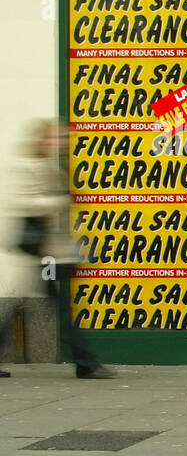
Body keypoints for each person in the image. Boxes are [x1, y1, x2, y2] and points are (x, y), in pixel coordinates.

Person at [1, 118, 114, 380]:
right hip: (46, 255)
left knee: (42, 304)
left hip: (52, 253)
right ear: (41, 140)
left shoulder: (49, 166)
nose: (60, 142)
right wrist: (59, 200)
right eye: (54, 138)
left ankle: (86, 363)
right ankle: (86, 364)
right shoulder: (29, 167)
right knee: (61, 307)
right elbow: (26, 203)